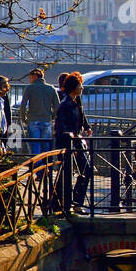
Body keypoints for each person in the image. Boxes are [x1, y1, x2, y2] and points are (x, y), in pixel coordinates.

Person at [54, 73, 92, 212]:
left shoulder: (75, 102)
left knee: (82, 170)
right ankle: (68, 202)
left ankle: (70, 202)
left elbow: (80, 118)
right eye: (80, 85)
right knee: (68, 172)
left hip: (75, 141)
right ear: (74, 87)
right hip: (69, 143)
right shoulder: (66, 105)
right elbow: (62, 126)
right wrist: (71, 143)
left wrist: (85, 127)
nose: (82, 88)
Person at [19, 68, 59, 154]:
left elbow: (23, 105)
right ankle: (46, 165)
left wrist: (24, 118)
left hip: (33, 120)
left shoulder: (30, 88)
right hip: (46, 120)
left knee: (35, 145)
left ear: (35, 76)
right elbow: (57, 106)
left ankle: (37, 164)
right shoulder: (51, 88)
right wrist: (52, 116)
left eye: (30, 78)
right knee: (46, 146)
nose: (30, 80)